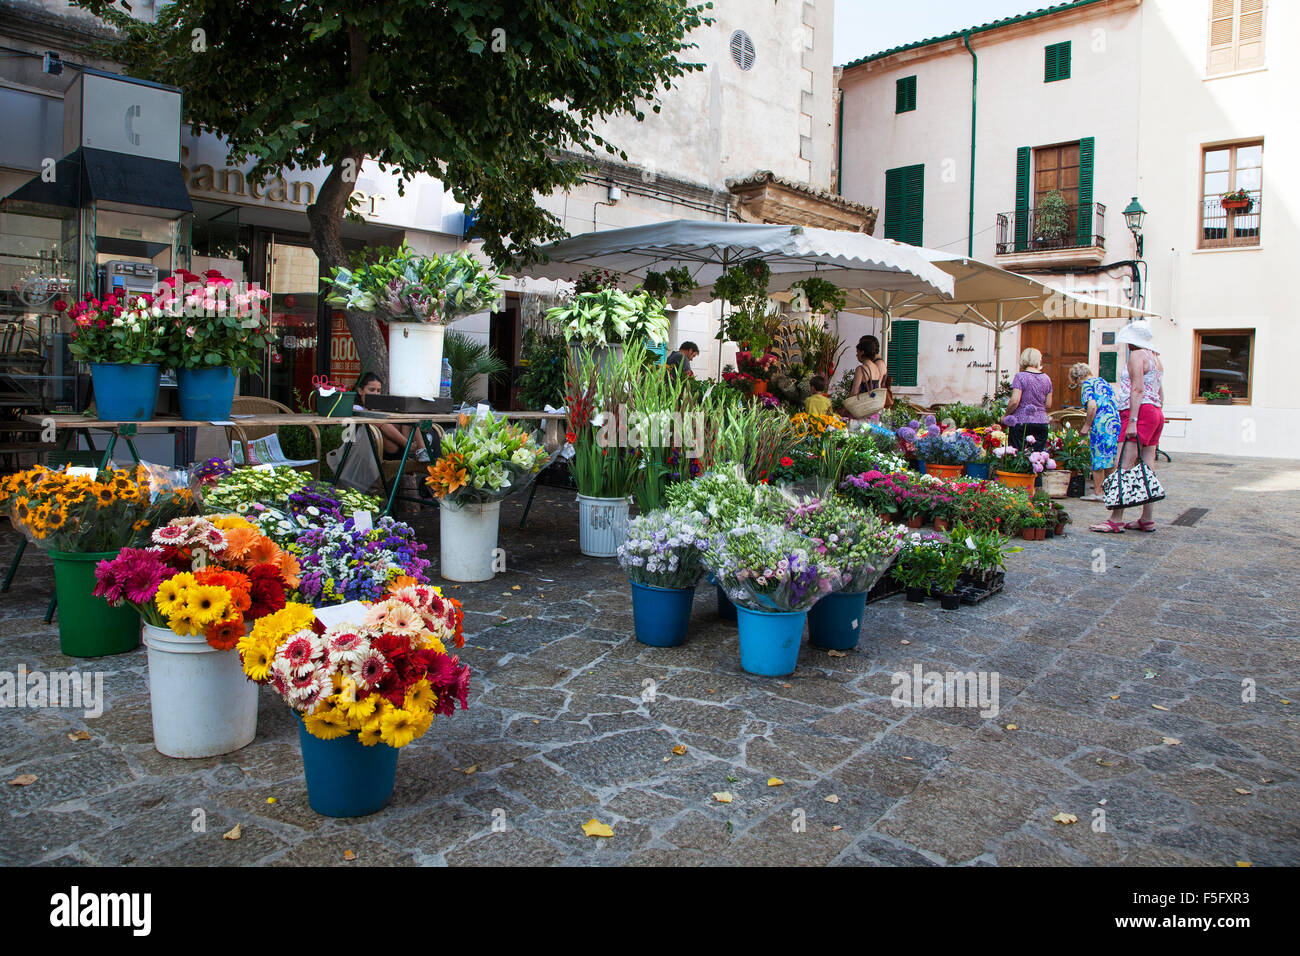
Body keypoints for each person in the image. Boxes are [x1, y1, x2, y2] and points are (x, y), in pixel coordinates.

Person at [1092, 322, 1164, 533]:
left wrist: (1133, 420)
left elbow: (1138, 388)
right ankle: (1147, 518)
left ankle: (1115, 519)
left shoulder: (1136, 356)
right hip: (1154, 412)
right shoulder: (1156, 358)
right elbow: (1160, 392)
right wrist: (1157, 414)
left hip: (1138, 412)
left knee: (1122, 464)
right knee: (1147, 465)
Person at [1067, 362, 1120, 501]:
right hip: (1114, 422)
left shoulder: (1087, 384)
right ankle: (1109, 491)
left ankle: (1098, 492)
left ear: (1078, 378)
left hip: (1101, 424)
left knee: (1098, 456)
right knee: (1110, 457)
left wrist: (1086, 425)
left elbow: (1091, 406)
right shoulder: (1104, 382)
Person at [355, 373, 434, 463]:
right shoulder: (357, 408)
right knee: (380, 422)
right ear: (360, 391)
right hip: (378, 445)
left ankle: (421, 448)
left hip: (400, 442)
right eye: (372, 390)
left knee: (408, 417)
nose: (375, 394)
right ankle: (411, 447)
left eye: (378, 391)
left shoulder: (380, 407)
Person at [1001, 348, 1052, 454]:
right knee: (1037, 459)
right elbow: (1048, 404)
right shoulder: (1047, 378)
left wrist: (1005, 415)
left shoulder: (1020, 377)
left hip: (1021, 422)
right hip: (1041, 423)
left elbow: (1015, 401)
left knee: (1018, 457)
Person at [847, 335, 891, 419]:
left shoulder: (861, 369)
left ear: (862, 352)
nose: (856, 355)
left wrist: (845, 407)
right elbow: (877, 389)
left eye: (857, 352)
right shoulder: (876, 368)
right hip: (872, 410)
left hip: (860, 409)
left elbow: (854, 392)